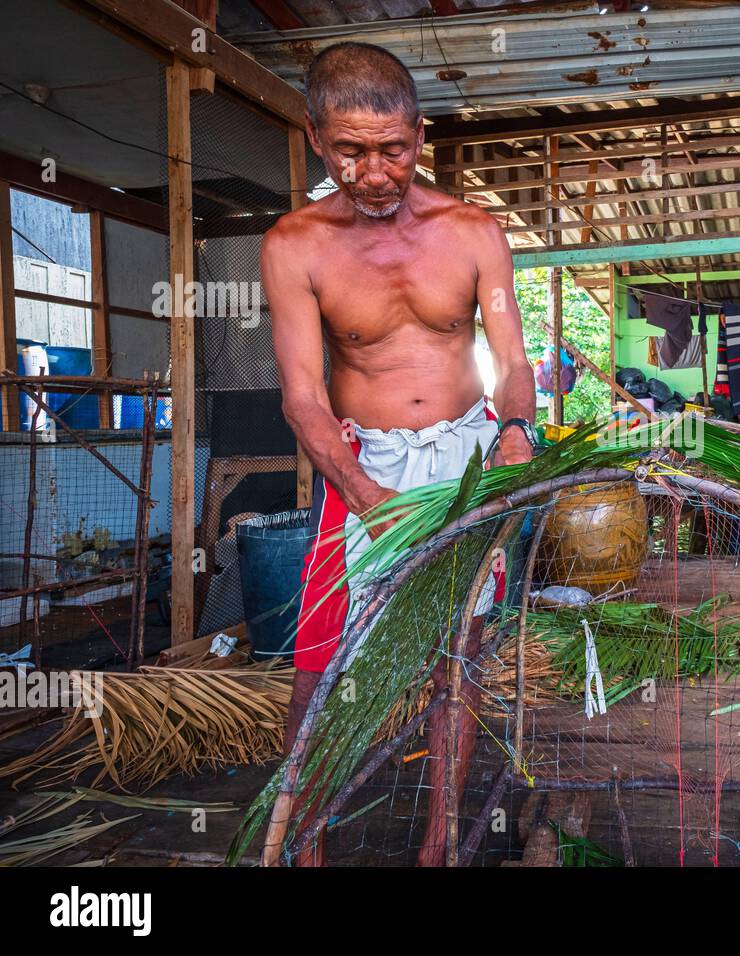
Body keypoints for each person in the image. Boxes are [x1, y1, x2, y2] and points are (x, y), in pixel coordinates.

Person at [264, 42, 536, 865]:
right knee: (319, 661)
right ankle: (304, 836)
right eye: (350, 151)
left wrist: (517, 429)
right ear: (316, 138)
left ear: (421, 136)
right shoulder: (295, 246)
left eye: (392, 150)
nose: (374, 172)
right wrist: (363, 491)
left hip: (463, 466)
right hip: (362, 468)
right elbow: (303, 397)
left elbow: (514, 361)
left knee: (461, 653)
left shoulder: (474, 232)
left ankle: (439, 836)